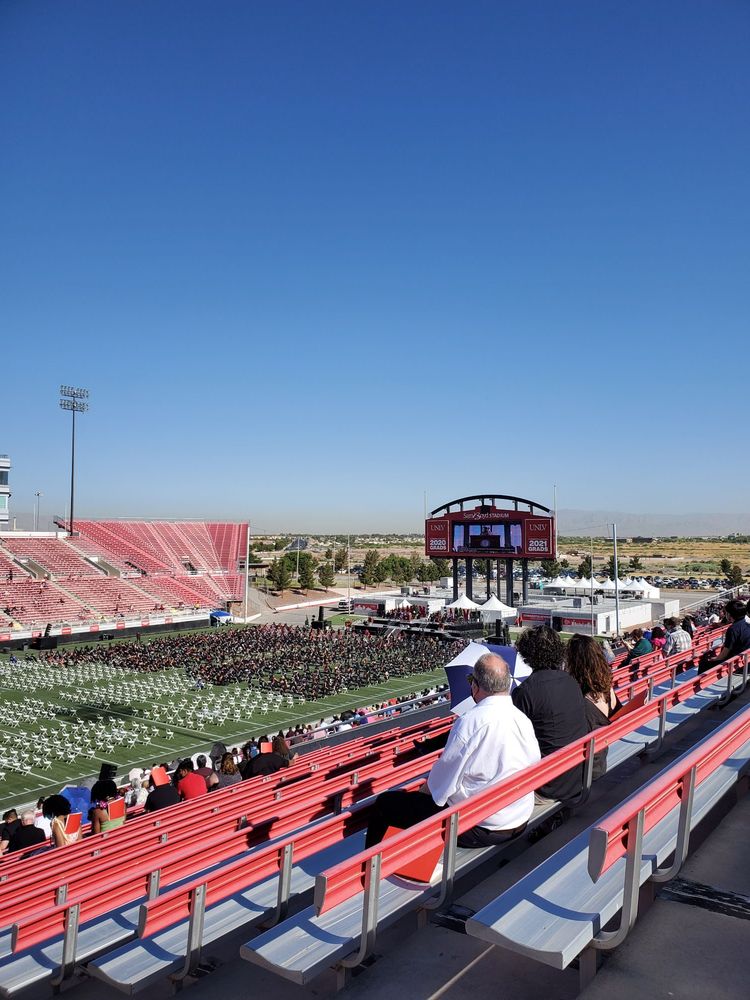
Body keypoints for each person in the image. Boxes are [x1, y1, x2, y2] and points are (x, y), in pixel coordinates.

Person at [365, 653, 541, 849]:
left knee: (385, 803)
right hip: (518, 815)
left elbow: (439, 789)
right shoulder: (522, 719)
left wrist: (419, 795)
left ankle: (371, 872)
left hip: (484, 825)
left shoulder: (471, 722)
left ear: (475, 686)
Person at [511, 625, 588, 803]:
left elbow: (511, 744)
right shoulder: (571, 682)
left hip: (547, 785)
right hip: (576, 776)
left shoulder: (526, 691)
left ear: (527, 654)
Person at [565, 635, 622, 780]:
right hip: (599, 759)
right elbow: (617, 715)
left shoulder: (576, 695)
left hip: (582, 768)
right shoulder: (607, 689)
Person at [699, 600, 750, 673]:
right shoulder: (747, 625)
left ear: (729, 614)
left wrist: (715, 659)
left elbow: (724, 654)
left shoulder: (733, 629)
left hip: (735, 665)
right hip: (744, 661)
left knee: (704, 663)